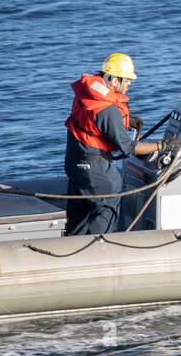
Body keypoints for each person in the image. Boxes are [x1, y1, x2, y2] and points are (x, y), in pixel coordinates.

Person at [63, 52, 172, 235]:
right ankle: (100, 247)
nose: (129, 84)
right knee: (109, 200)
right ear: (114, 80)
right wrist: (163, 146)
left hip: (74, 161)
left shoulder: (87, 94)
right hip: (94, 166)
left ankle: (72, 247)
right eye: (126, 80)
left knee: (79, 212)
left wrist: (126, 122)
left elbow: (93, 123)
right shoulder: (108, 110)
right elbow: (128, 148)